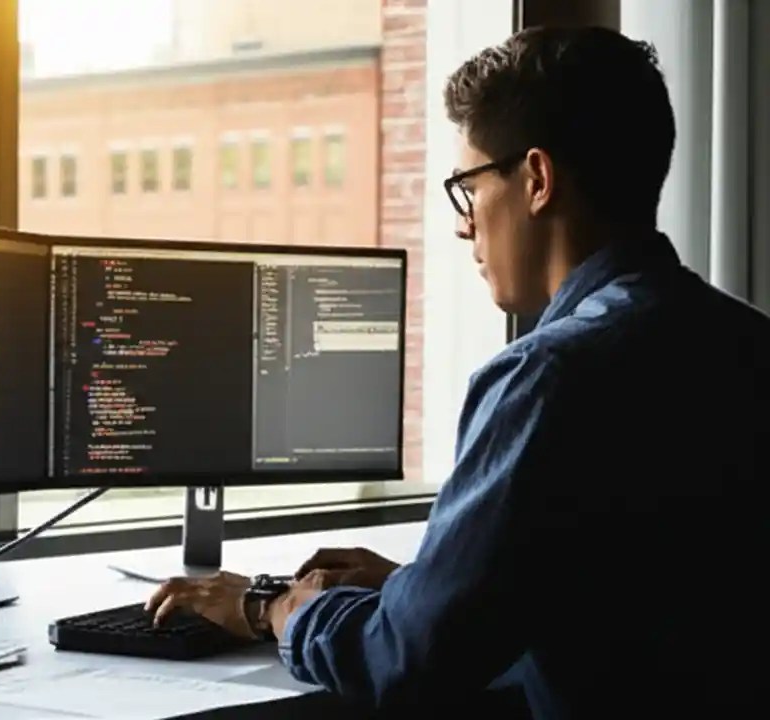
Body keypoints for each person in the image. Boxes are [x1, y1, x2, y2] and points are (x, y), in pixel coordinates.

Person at [145, 25, 767, 719]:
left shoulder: (548, 375)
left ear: (536, 180)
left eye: (468, 187)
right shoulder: (745, 340)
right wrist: (426, 586)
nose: (464, 225)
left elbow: (405, 663)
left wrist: (272, 606)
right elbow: (631, 605)